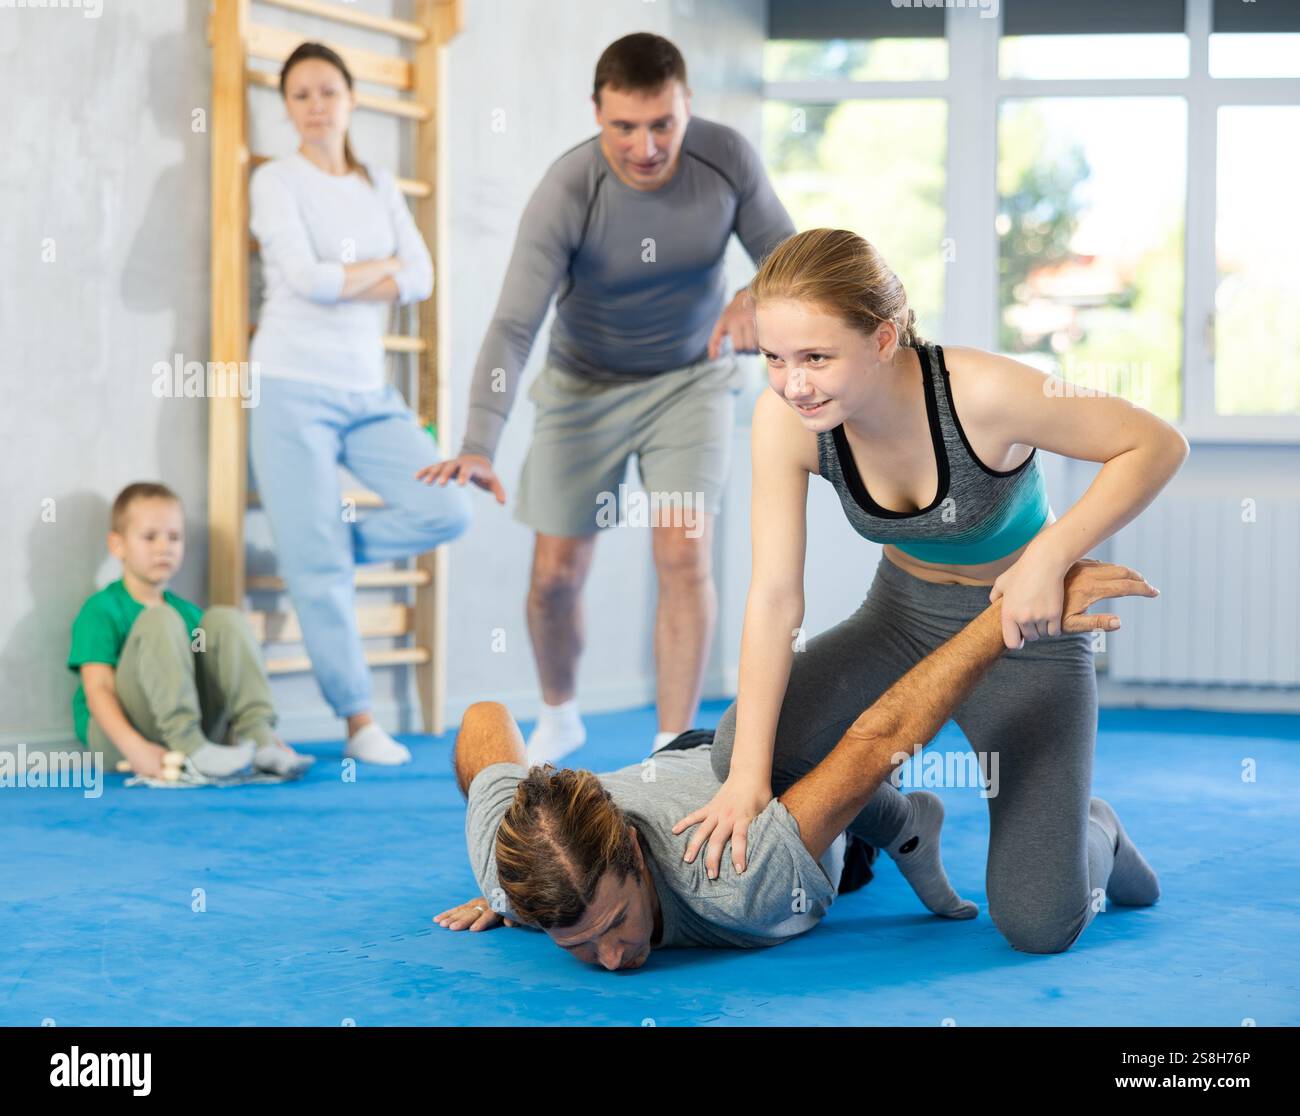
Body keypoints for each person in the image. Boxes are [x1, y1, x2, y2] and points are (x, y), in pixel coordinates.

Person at [671, 228, 1187, 954]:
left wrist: (1049, 557)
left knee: (1039, 925)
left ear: (883, 338)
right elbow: (775, 597)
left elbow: (1156, 443)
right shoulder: (785, 421)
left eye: (817, 357)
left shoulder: (982, 391)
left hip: (1024, 635)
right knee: (743, 752)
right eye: (774, 358)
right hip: (900, 618)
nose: (794, 383)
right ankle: (905, 820)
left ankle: (1095, 833)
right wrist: (750, 780)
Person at [435, 559, 1160, 970]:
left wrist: (1012, 618)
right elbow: (484, 718)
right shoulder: (512, 865)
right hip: (692, 779)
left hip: (777, 776)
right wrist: (512, 892)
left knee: (1041, 920)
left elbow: (875, 741)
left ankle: (1053, 829)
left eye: (617, 922)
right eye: (580, 944)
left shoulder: (734, 880)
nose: (615, 958)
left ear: (631, 849)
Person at [417, 33, 796, 764]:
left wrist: (757, 294)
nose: (646, 147)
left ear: (687, 108)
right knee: (556, 575)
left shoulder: (727, 160)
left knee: (683, 553)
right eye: (625, 126)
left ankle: (673, 743)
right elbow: (514, 324)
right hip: (581, 386)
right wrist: (476, 442)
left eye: (663, 124)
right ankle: (559, 714)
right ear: (597, 114)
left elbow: (792, 257)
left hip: (689, 382)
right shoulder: (568, 188)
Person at [248, 42, 471, 765]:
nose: (315, 106)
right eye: (301, 95)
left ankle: (324, 556)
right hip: (289, 385)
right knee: (315, 567)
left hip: (369, 388)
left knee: (446, 506)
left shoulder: (379, 183)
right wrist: (384, 272)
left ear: (350, 100)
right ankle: (359, 722)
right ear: (287, 108)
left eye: (327, 91)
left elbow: (425, 276)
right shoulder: (275, 181)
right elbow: (305, 280)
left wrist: (360, 273)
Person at [68, 483, 311, 780]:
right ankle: (190, 746)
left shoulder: (189, 615)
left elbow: (217, 679)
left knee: (225, 619)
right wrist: (135, 749)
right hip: (121, 739)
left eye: (174, 537)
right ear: (118, 546)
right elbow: (99, 690)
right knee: (159, 619)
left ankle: (260, 740)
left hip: (190, 727)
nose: (163, 547)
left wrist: (257, 736)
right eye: (150, 537)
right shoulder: (101, 610)